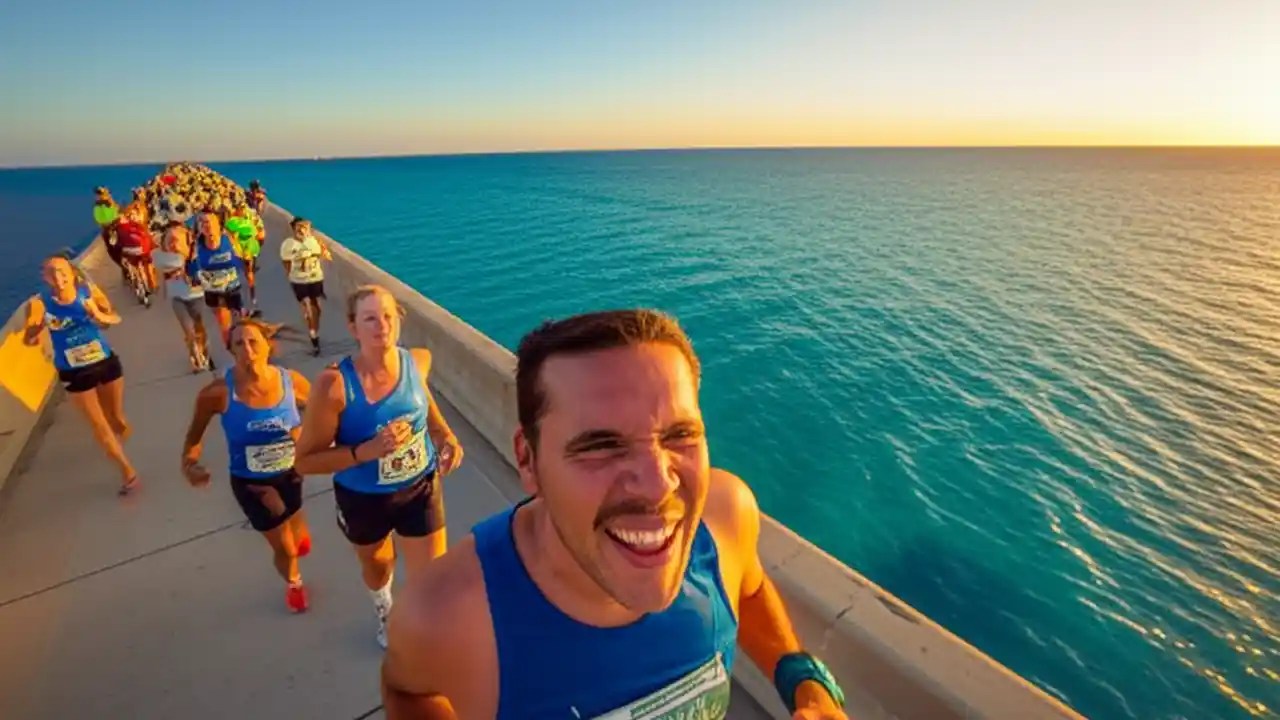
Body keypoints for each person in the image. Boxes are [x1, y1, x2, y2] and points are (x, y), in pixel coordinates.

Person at [380, 310, 849, 720]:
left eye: (679, 435)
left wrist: (804, 682)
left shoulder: (724, 517)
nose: (658, 484)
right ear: (528, 460)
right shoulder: (447, 615)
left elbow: (747, 589)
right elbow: (405, 689)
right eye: (601, 446)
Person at [295, 285, 465, 649]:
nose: (381, 326)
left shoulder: (416, 360)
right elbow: (305, 460)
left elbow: (422, 395)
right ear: (353, 328)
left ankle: (423, 640)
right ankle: (384, 606)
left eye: (388, 316)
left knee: (430, 580)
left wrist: (444, 434)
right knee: (379, 565)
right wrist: (365, 451)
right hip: (364, 497)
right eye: (370, 318)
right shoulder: (334, 385)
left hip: (420, 485)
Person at [181, 319, 314, 612]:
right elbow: (193, 439)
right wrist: (190, 465)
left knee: (298, 532)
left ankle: (296, 541)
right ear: (230, 350)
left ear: (269, 346)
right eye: (239, 343)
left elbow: (320, 411)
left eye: (254, 341)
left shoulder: (291, 381)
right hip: (251, 482)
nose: (248, 349)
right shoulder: (216, 394)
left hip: (291, 473)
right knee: (286, 548)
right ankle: (294, 583)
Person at [22, 256, 140, 495]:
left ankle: (119, 425)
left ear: (71, 272)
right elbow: (29, 340)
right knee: (99, 425)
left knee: (116, 419)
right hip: (73, 370)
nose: (58, 277)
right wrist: (36, 328)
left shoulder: (88, 292)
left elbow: (112, 319)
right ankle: (127, 471)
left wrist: (97, 315)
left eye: (62, 271)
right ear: (45, 277)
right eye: (51, 273)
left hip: (104, 361)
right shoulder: (39, 304)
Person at [154, 202, 212, 372]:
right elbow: (159, 268)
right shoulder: (165, 257)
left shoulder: (193, 244)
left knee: (200, 327)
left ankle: (205, 351)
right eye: (169, 241)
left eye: (176, 241)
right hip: (177, 296)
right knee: (188, 330)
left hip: (196, 294)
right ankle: (195, 358)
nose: (173, 244)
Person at [193, 211, 248, 347]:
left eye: (211, 222)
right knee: (224, 323)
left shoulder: (228, 239)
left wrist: (243, 261)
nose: (208, 226)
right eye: (204, 223)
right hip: (213, 290)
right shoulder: (195, 245)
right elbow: (189, 265)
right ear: (200, 227)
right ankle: (232, 350)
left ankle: (248, 341)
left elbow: (241, 257)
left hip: (232, 286)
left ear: (219, 225)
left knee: (243, 321)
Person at [279, 217, 331, 355]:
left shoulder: (315, 242)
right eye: (299, 227)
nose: (302, 230)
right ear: (293, 229)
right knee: (308, 307)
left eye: (305, 227)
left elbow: (326, 256)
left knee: (317, 308)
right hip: (299, 281)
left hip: (315, 279)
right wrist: (292, 276)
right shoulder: (288, 245)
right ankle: (313, 337)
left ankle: (313, 327)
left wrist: (323, 251)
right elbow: (286, 263)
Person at [224, 200, 263, 314]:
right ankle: (238, 304)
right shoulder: (232, 222)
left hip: (249, 249)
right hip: (238, 250)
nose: (242, 210)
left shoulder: (249, 219)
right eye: (240, 208)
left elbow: (256, 233)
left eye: (243, 208)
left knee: (249, 274)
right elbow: (229, 235)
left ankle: (252, 299)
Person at [116, 202, 158, 305]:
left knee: (133, 268)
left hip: (129, 252)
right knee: (141, 266)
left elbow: (116, 243)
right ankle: (146, 285)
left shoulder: (117, 228)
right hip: (140, 251)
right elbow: (145, 235)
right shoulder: (135, 224)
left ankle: (137, 282)